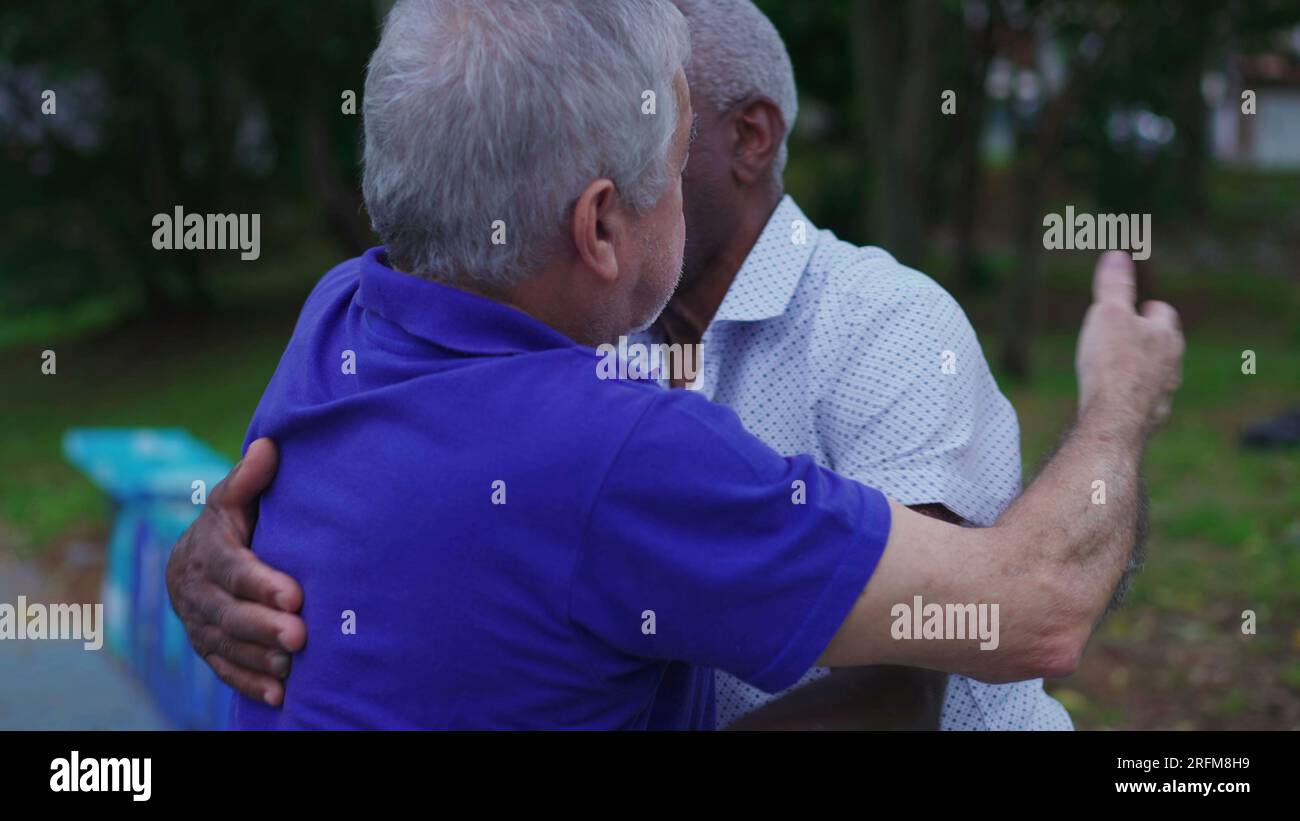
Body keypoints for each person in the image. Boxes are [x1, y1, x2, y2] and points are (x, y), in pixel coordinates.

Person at [166, 0, 1183, 730]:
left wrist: (223, 543)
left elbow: (913, 679)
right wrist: (1119, 397)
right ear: (600, 223)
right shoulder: (611, 432)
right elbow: (1038, 605)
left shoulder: (342, 309)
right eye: (663, 144)